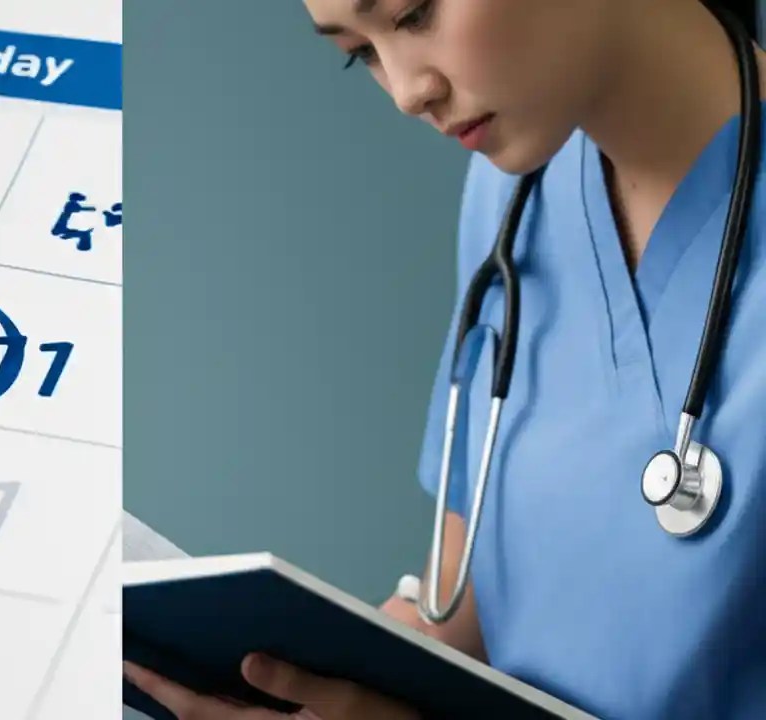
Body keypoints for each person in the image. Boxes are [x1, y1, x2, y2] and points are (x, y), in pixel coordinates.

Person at [123, 0, 766, 717]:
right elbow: (465, 595)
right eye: (357, 53)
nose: (405, 92)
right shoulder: (512, 196)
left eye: (412, 13)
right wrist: (282, 689)